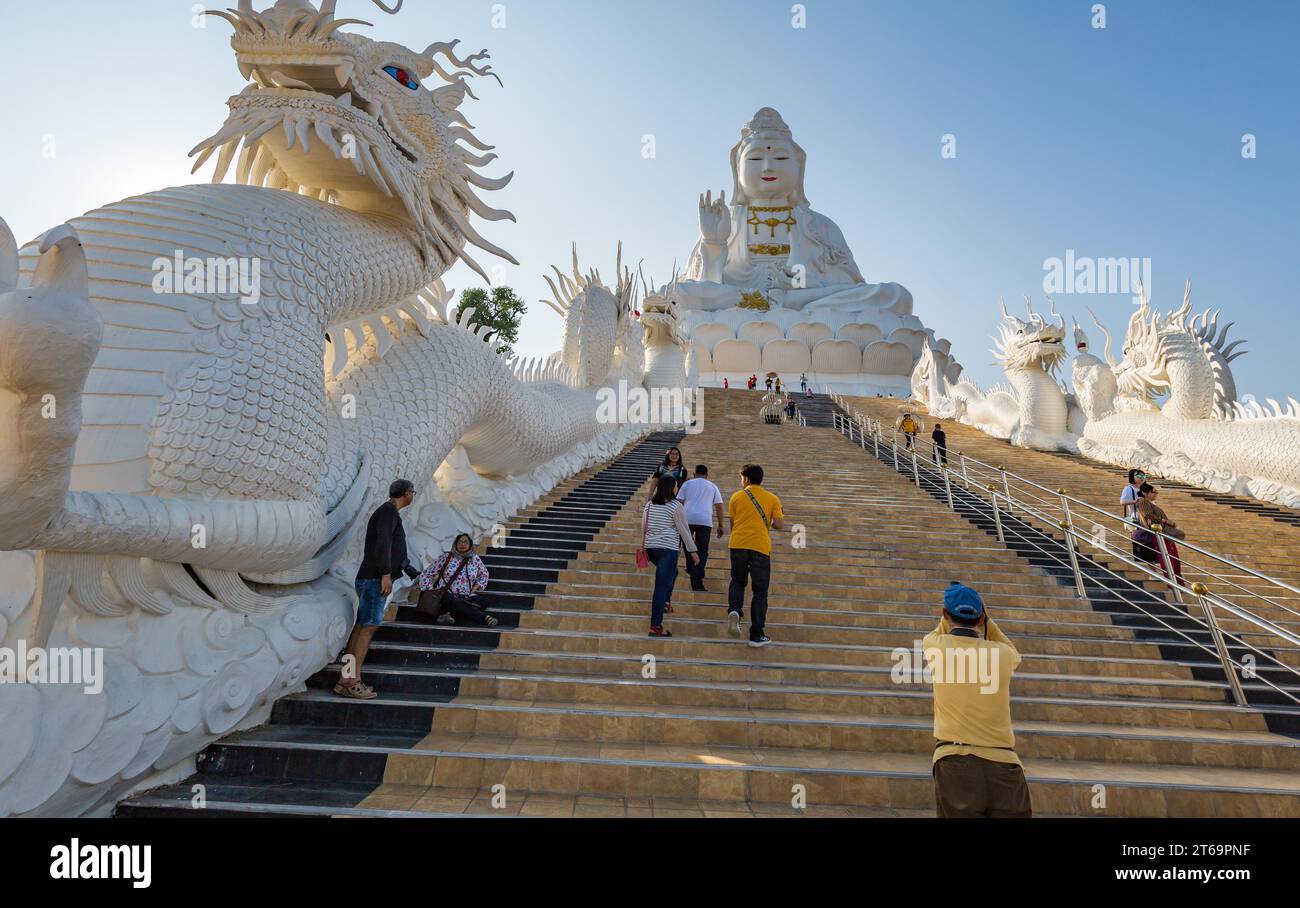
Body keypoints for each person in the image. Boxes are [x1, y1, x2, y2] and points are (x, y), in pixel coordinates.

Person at [925, 582, 1031, 818]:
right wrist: (987, 621)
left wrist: (951, 615)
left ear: (945, 614)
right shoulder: (1003, 655)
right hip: (1004, 764)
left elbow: (940, 629)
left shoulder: (935, 646)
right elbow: (1008, 646)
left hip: (954, 763)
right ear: (981, 618)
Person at [338, 479, 416, 699]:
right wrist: (385, 574)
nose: (413, 495)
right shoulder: (388, 512)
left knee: (361, 627)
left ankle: (345, 679)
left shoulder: (387, 512)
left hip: (369, 576)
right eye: (413, 492)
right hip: (375, 578)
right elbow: (383, 543)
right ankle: (353, 681)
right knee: (367, 629)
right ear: (406, 493)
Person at [727, 463, 784, 647]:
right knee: (760, 591)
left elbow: (732, 524)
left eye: (741, 478)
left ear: (746, 479)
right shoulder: (773, 498)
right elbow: (778, 525)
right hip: (760, 546)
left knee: (737, 580)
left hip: (738, 543)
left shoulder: (736, 497)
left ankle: (735, 610)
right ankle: (756, 634)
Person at [643, 475, 700, 636]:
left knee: (672, 572)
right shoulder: (675, 506)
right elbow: (684, 530)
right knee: (660, 586)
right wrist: (693, 552)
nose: (677, 488)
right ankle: (655, 626)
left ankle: (666, 602)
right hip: (667, 549)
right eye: (676, 485)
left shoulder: (649, 505)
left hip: (651, 548)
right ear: (671, 488)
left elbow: (643, 526)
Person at [415, 533, 500, 627]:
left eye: (465, 542)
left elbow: (484, 574)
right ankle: (485, 618)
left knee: (483, 602)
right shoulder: (446, 557)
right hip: (445, 594)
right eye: (460, 542)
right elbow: (427, 573)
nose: (462, 544)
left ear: (470, 545)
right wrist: (429, 588)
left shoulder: (475, 559)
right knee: (454, 601)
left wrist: (473, 590)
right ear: (455, 544)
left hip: (465, 596)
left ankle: (448, 616)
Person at [676, 465, 725, 591]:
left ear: (694, 473)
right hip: (705, 521)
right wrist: (720, 525)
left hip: (687, 518)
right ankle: (697, 582)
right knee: (702, 551)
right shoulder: (712, 486)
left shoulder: (687, 485)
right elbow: (719, 506)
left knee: (687, 544)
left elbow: (678, 502)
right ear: (707, 474)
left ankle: (689, 565)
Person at [1136, 483, 1186, 586]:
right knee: (1168, 558)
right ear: (1145, 493)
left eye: (1156, 492)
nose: (1156, 494)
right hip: (1158, 532)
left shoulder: (1150, 503)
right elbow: (1147, 514)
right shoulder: (1142, 501)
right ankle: (1172, 582)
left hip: (1162, 532)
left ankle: (1177, 582)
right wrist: (1165, 521)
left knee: (1173, 558)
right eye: (1153, 492)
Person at [1119, 468, 1147, 561]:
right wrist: (1136, 501)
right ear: (1132, 477)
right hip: (1136, 519)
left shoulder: (1146, 489)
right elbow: (1122, 502)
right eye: (1139, 476)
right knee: (1138, 541)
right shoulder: (1129, 488)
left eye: (1143, 476)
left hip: (1147, 519)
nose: (1142, 478)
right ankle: (1140, 561)